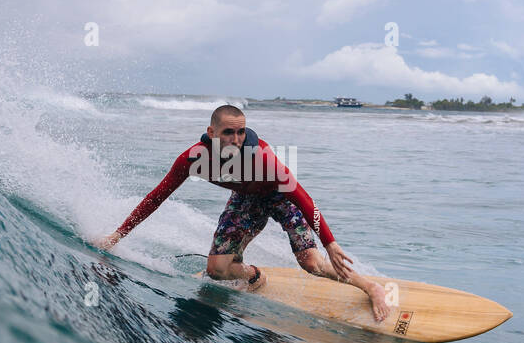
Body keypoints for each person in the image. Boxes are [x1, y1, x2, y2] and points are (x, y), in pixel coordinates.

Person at [99, 104, 389, 321]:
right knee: (216, 270)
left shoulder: (263, 160)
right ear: (211, 133)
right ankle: (254, 277)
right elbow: (156, 198)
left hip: (280, 198)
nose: (236, 139)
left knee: (312, 263)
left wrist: (329, 242)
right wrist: (118, 235)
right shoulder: (193, 160)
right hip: (246, 200)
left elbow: (303, 199)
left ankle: (370, 287)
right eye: (228, 132)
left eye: (241, 132)